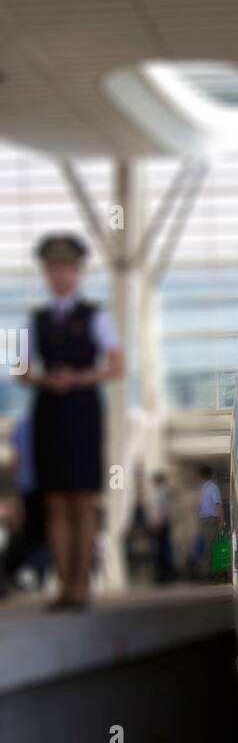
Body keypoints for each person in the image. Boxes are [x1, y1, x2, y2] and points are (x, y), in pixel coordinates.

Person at [21, 234, 124, 610]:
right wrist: (44, 379)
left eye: (66, 268)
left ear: (78, 273)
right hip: (47, 411)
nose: (60, 275)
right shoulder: (33, 318)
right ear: (46, 274)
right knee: (56, 503)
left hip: (82, 411)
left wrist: (77, 378)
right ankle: (64, 586)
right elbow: (18, 369)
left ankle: (81, 586)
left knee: (82, 500)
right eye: (53, 269)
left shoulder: (96, 315)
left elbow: (117, 365)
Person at [5, 412, 49, 589]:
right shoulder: (55, 422)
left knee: (32, 530)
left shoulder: (22, 425)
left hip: (28, 485)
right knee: (43, 529)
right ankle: (38, 572)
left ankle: (34, 571)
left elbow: (16, 460)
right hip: (48, 485)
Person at [195, 464, 224, 579]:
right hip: (204, 521)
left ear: (201, 476)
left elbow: (219, 504)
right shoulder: (204, 488)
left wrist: (222, 521)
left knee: (210, 547)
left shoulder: (213, 488)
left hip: (211, 520)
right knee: (206, 547)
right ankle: (208, 573)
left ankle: (212, 574)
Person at [148, 471, 175, 583]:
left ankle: (163, 574)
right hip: (163, 523)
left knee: (160, 549)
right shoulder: (162, 493)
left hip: (161, 524)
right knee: (163, 548)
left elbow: (161, 511)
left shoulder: (160, 493)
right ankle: (164, 573)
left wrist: (158, 524)